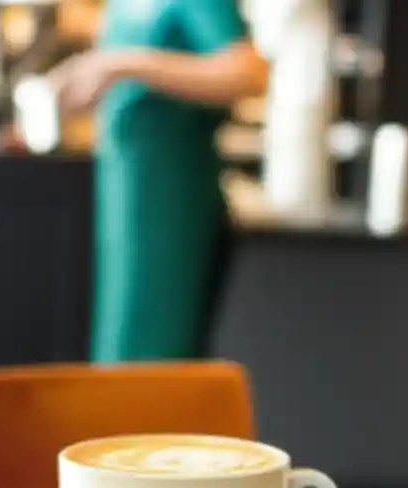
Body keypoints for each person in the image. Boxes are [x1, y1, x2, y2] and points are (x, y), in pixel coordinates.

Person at [52, 0, 267, 362]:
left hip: (169, 192)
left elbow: (248, 72)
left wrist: (121, 63)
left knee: (154, 332)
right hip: (123, 185)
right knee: (119, 327)